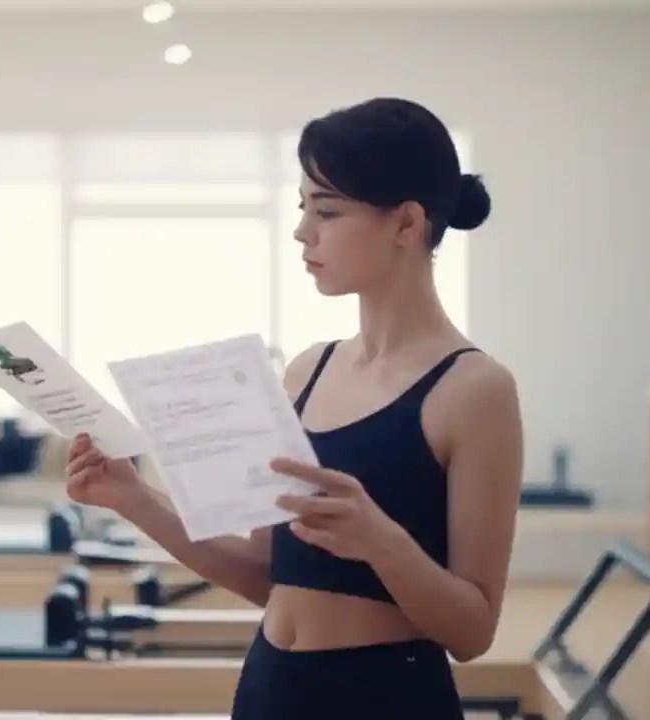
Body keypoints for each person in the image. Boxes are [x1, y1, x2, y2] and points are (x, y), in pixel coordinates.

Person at [65, 97, 524, 719]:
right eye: (303, 207)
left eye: (327, 211)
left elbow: (472, 633)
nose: (303, 231)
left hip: (385, 699)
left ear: (407, 224)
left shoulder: (475, 389)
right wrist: (134, 500)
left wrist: (380, 540)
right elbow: (264, 574)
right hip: (270, 687)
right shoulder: (307, 370)